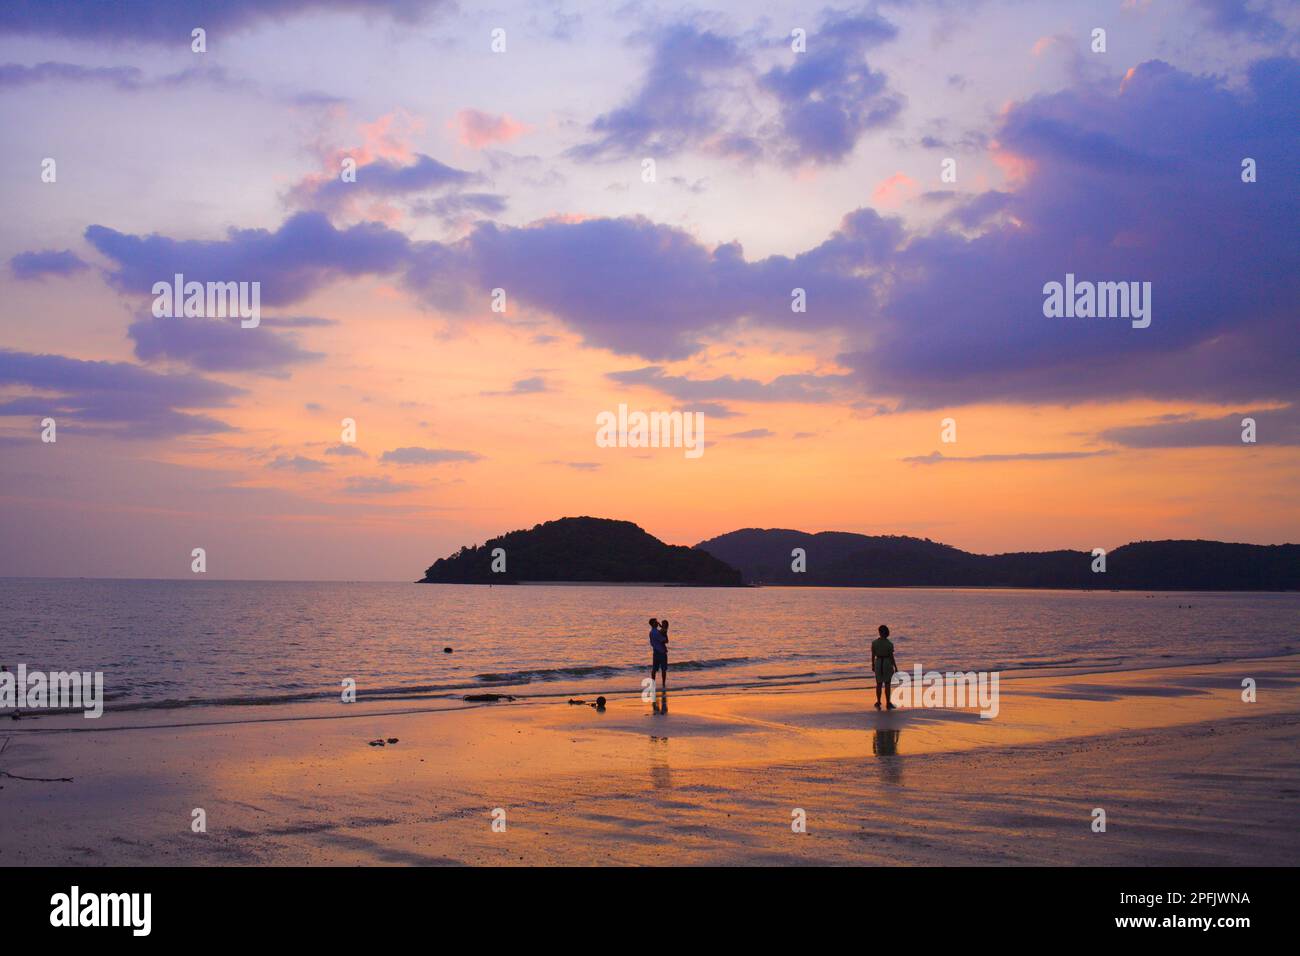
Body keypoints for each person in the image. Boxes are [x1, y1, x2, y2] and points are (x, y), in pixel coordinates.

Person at [871, 624, 898, 710]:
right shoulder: (889, 644)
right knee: (887, 684)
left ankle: (878, 702)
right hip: (887, 663)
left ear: (879, 633)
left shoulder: (874, 643)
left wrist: (873, 664)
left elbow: (873, 655)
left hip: (878, 663)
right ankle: (888, 703)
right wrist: (895, 667)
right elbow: (891, 656)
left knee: (879, 684)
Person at [648, 617, 669, 691]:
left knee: (654, 669)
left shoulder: (651, 632)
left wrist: (662, 628)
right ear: (653, 624)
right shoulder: (657, 632)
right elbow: (665, 641)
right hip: (661, 652)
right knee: (663, 669)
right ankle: (663, 684)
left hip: (655, 652)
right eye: (656, 622)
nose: (657, 622)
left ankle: (653, 684)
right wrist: (665, 631)